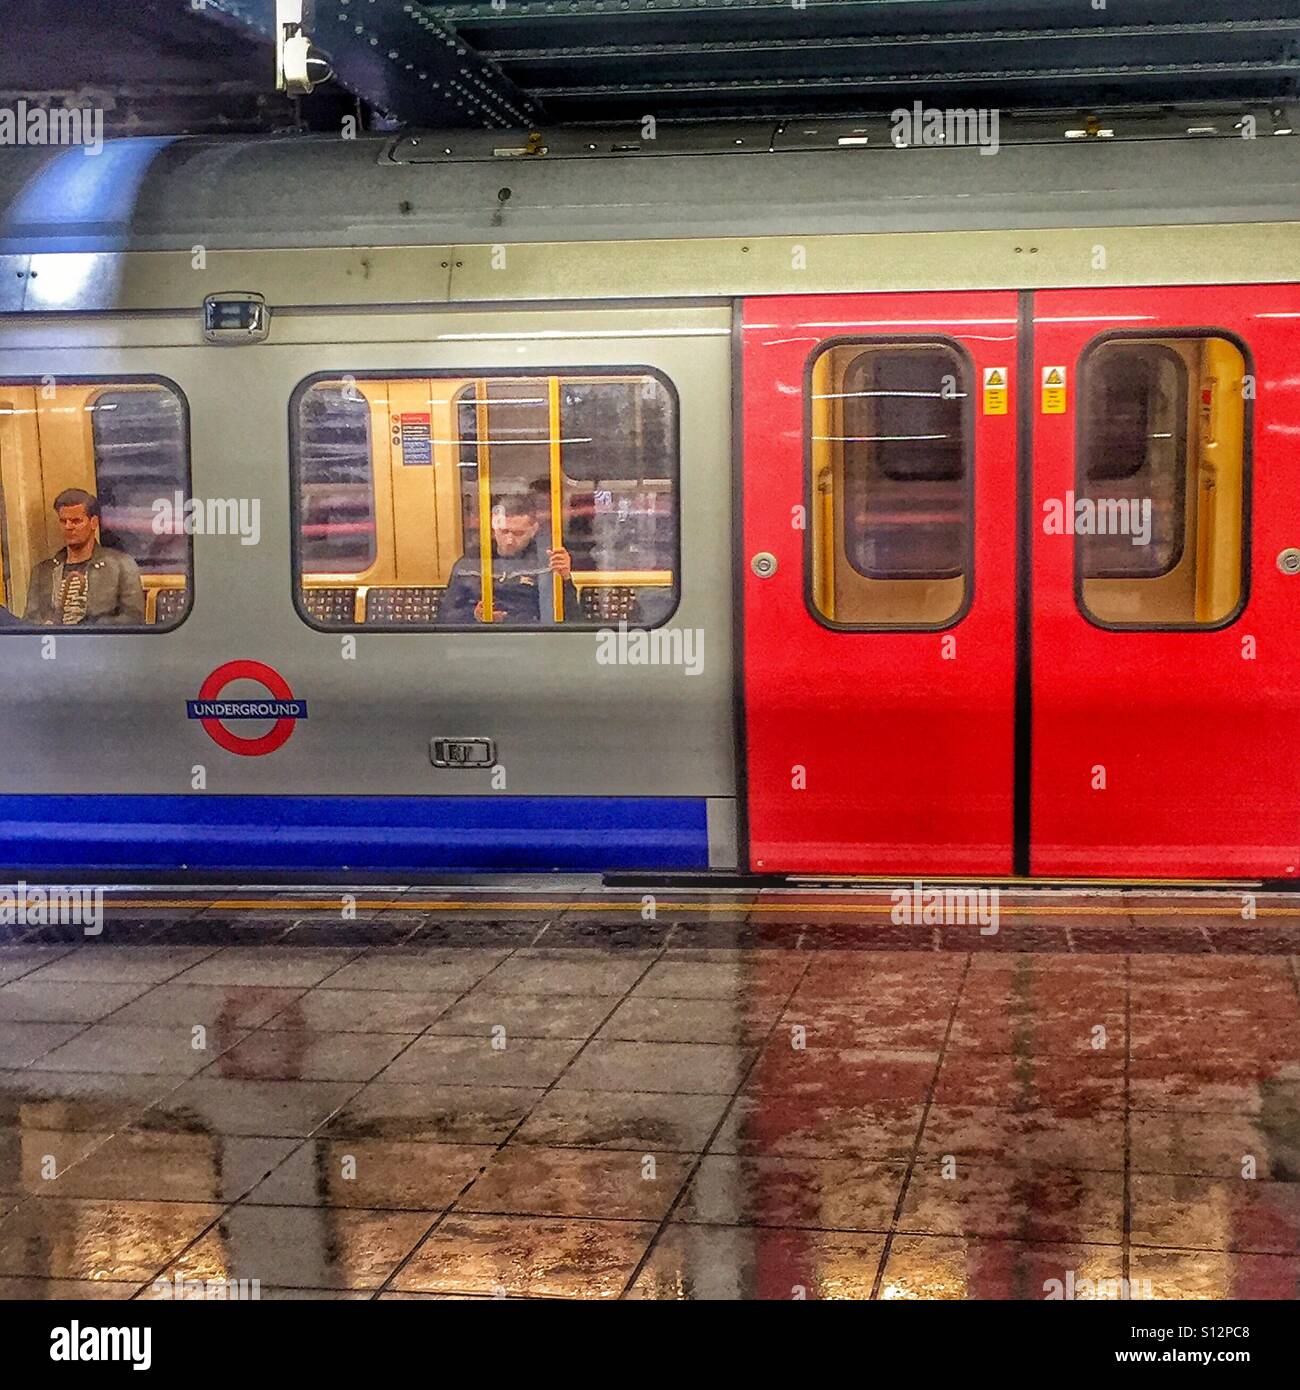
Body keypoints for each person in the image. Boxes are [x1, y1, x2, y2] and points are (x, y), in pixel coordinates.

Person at [439, 492, 579, 625]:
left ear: (534, 529)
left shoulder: (546, 563)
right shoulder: (471, 564)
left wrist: (565, 578)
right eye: (504, 531)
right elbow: (445, 617)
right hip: (480, 641)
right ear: (494, 526)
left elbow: (571, 619)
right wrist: (474, 616)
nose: (510, 540)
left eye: (519, 533)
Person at [23, 488, 146, 627]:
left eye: (76, 521)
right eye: (63, 521)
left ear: (93, 522)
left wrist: (92, 626)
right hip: (53, 645)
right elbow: (30, 622)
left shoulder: (121, 565)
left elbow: (134, 619)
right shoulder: (42, 572)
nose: (68, 527)